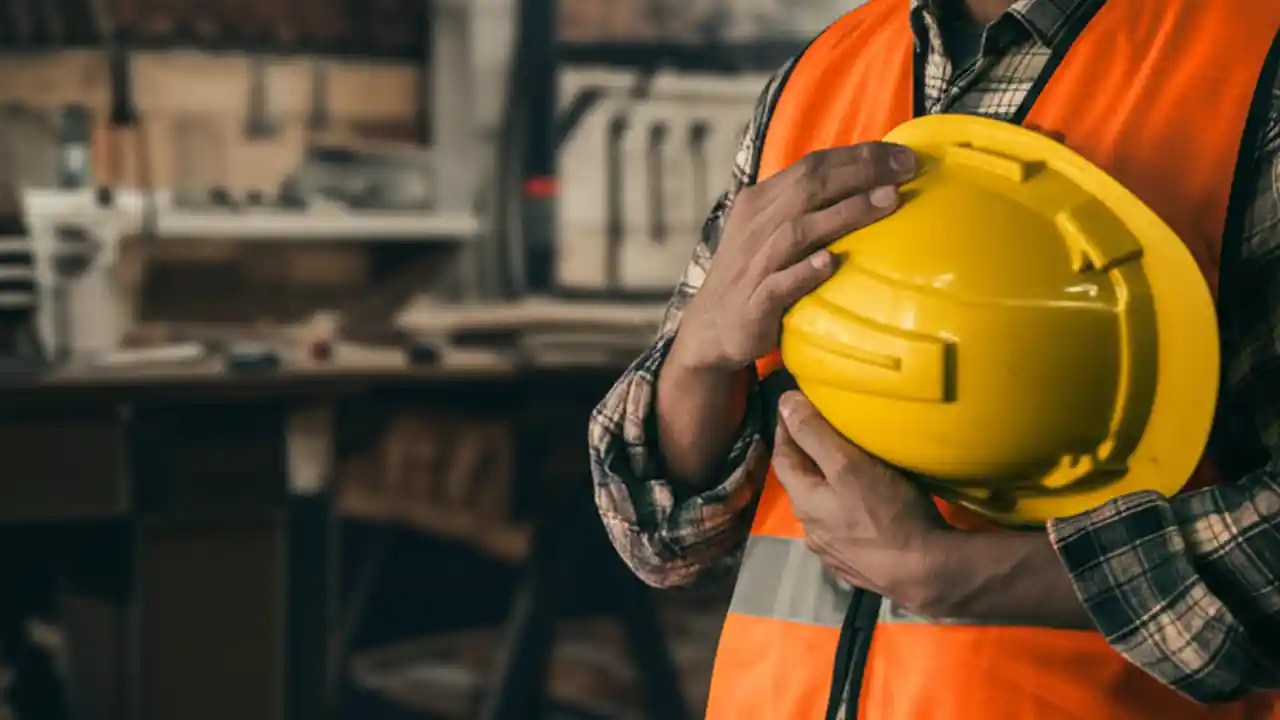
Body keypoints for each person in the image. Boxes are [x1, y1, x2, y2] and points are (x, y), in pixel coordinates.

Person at [588, 0, 1280, 718]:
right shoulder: (820, 74)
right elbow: (660, 539)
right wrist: (699, 358)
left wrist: (968, 576)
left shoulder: (1251, 69)